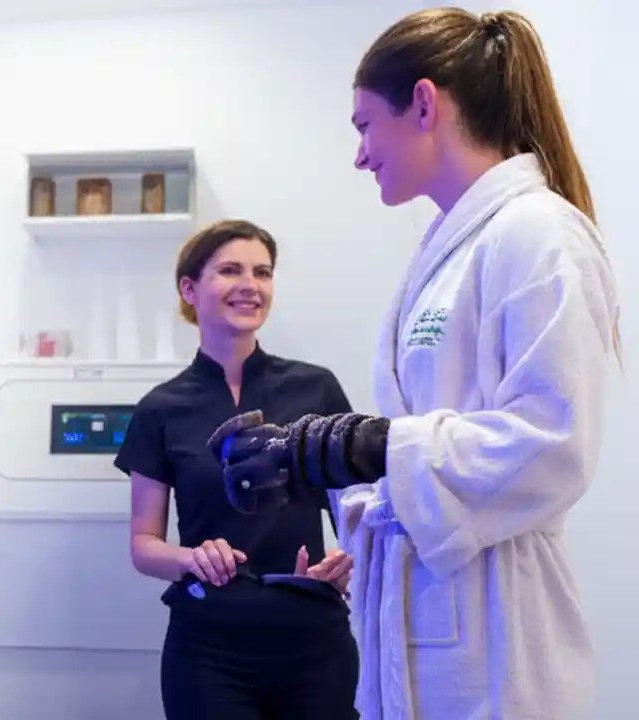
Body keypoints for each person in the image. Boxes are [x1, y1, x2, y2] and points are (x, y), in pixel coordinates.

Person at [209, 8, 622, 720]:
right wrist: (309, 467)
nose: (361, 155)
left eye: (365, 126)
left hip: (500, 649)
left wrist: (365, 445)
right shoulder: (446, 252)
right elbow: (421, 458)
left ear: (425, 104)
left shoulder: (537, 235)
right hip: (425, 634)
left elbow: (552, 445)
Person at [113, 219, 360, 720]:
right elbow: (144, 545)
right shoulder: (160, 409)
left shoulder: (317, 389)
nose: (250, 284)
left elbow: (356, 510)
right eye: (230, 270)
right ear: (189, 288)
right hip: (209, 650)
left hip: (313, 638)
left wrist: (345, 557)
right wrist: (192, 559)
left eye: (263, 273)